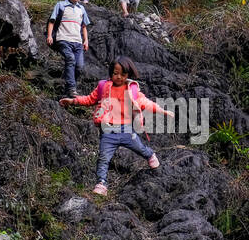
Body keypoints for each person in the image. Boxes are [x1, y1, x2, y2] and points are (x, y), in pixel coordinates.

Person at [61, 57, 172, 196]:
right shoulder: (104, 87)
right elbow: (90, 99)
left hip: (126, 129)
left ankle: (150, 155)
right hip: (107, 131)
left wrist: (162, 110)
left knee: (140, 148)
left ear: (128, 74)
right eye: (115, 73)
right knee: (103, 158)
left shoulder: (132, 90)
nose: (118, 77)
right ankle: (101, 183)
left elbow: (146, 103)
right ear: (110, 73)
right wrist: (73, 101)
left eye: (123, 74)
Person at [46, 0, 91, 97]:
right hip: (63, 39)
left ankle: (68, 87)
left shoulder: (81, 9)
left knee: (79, 66)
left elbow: (84, 26)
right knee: (70, 59)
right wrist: (50, 36)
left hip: (78, 42)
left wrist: (86, 40)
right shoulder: (61, 5)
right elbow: (52, 21)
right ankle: (71, 88)